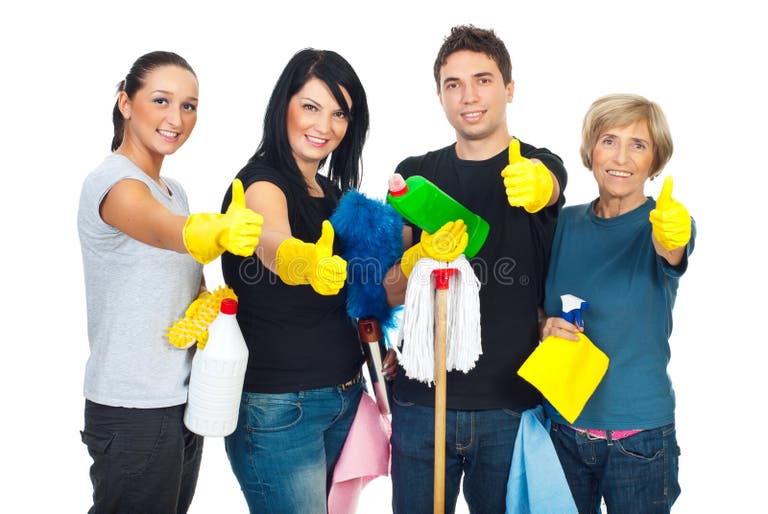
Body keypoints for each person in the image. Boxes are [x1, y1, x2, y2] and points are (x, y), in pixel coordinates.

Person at [383, 25, 568, 513]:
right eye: (454, 84)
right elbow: (388, 291)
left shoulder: (535, 165)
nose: (468, 96)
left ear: (509, 88)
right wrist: (416, 259)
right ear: (440, 95)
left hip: (511, 406)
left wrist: (540, 183)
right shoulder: (416, 176)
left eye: (483, 80)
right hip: (422, 406)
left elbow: (551, 183)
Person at [77, 51, 263, 514]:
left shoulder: (174, 191)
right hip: (132, 408)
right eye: (161, 100)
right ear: (126, 103)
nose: (176, 118)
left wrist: (207, 308)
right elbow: (161, 229)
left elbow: (187, 285)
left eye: (189, 105)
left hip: (182, 399)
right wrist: (215, 229)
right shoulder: (113, 182)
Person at [221, 48, 388, 513]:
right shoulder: (260, 183)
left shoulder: (332, 194)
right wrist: (302, 261)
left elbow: (356, 295)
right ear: (284, 106)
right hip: (280, 411)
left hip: (344, 398)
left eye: (340, 114)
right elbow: (270, 239)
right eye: (311, 106)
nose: (324, 125)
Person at [541, 93, 695, 513]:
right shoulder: (561, 224)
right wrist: (543, 325)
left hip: (639, 441)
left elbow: (672, 249)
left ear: (655, 161)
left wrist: (673, 235)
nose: (621, 157)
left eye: (638, 145)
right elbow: (535, 304)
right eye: (609, 140)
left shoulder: (663, 224)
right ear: (591, 150)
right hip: (561, 431)